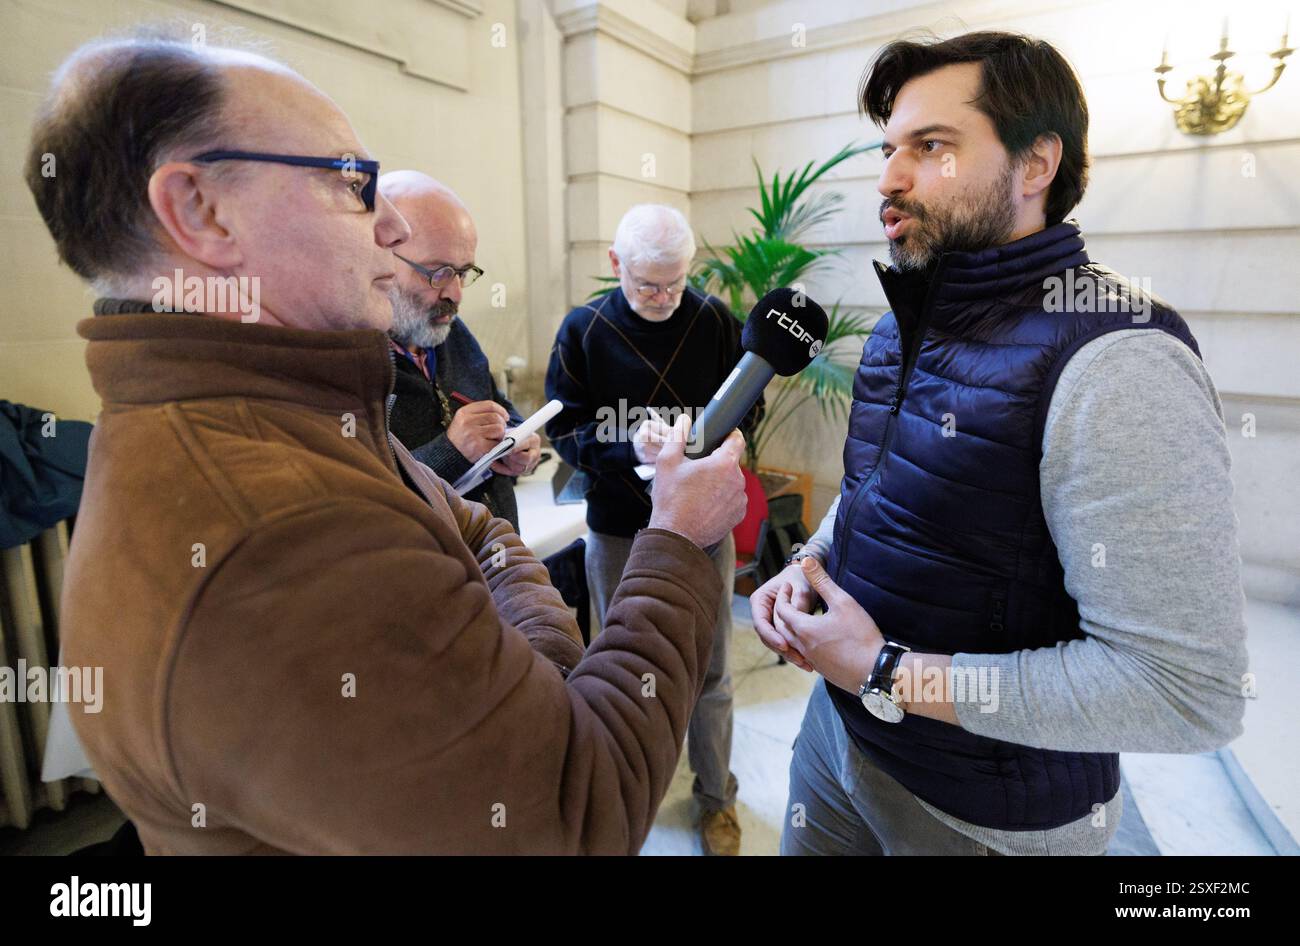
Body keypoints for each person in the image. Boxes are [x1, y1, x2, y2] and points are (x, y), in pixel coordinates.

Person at [26, 29, 747, 855]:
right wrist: (677, 537)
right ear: (199, 210)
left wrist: (538, 686)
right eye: (353, 183)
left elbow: (481, 532)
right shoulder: (279, 537)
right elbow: (578, 820)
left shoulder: (292, 410)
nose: (394, 226)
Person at [750, 31, 1248, 856]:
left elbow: (1187, 691)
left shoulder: (1117, 358)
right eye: (888, 150)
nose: (889, 178)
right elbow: (884, 494)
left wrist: (888, 674)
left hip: (984, 822)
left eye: (931, 147)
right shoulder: (893, 332)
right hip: (835, 749)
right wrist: (808, 560)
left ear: (1035, 165)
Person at [544, 204, 761, 855]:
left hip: (704, 532)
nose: (665, 298)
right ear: (616, 266)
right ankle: (622, 805)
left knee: (713, 668)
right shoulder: (584, 329)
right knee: (624, 670)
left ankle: (716, 798)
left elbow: (749, 401)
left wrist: (735, 439)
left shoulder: (714, 320)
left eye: (676, 282)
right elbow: (563, 429)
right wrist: (628, 450)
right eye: (647, 285)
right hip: (619, 532)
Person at [380, 170, 539, 531]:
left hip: (496, 567)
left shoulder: (451, 332)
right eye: (438, 273)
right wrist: (449, 452)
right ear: (381, 255)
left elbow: (498, 405)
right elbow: (362, 504)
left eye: (464, 273)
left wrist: (518, 440)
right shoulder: (347, 360)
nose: (456, 293)